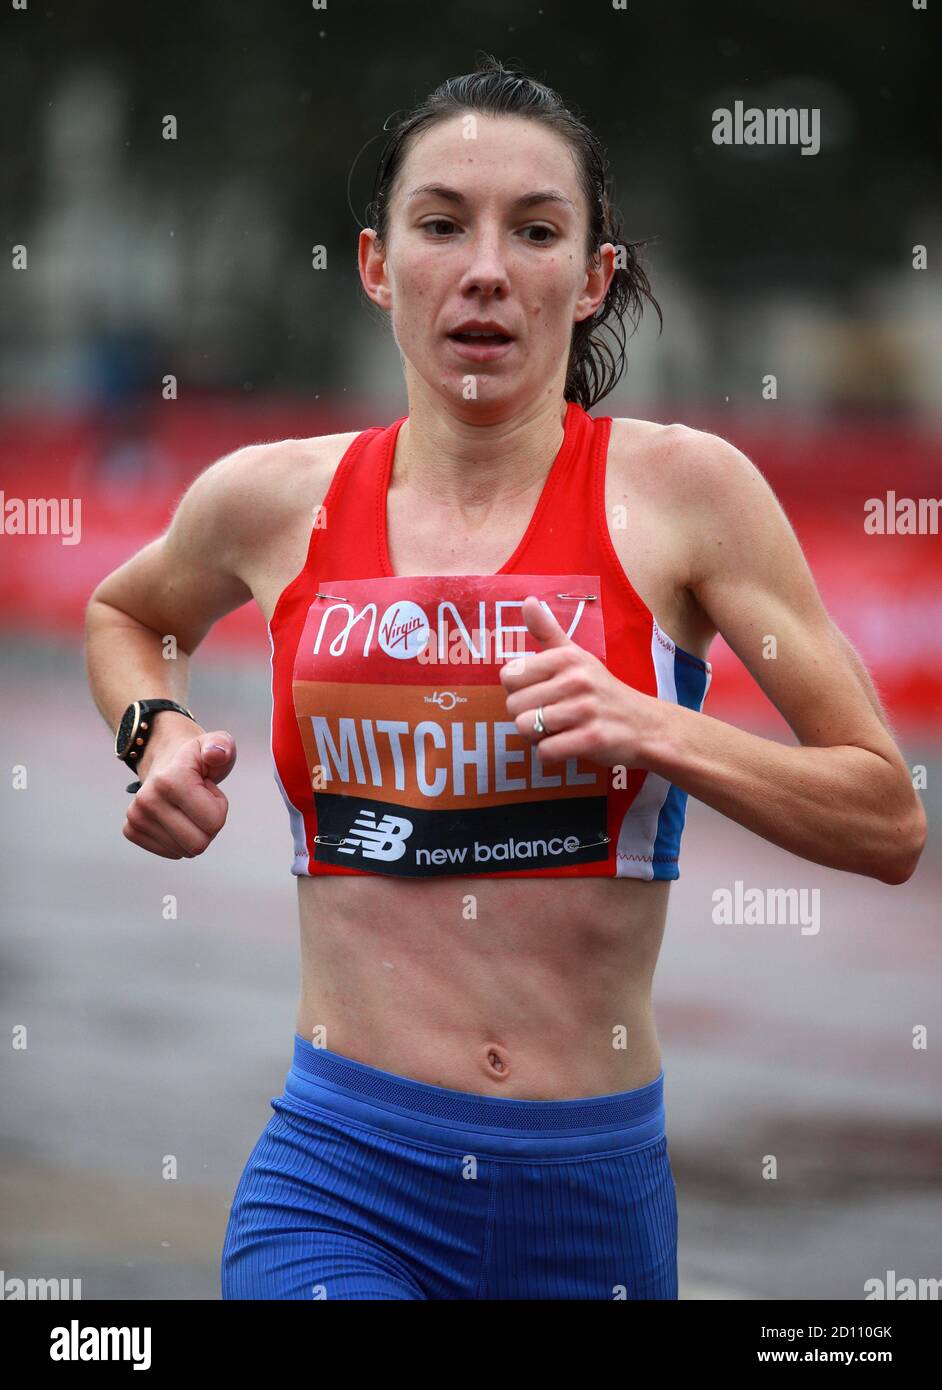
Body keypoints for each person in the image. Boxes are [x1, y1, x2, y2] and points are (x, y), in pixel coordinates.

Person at [84, 56, 927, 1301]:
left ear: (593, 279)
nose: (486, 269)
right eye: (442, 225)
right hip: (338, 1179)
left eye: (535, 231)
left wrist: (661, 728)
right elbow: (127, 611)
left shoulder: (690, 496)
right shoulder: (274, 500)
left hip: (593, 1202)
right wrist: (154, 731)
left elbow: (886, 816)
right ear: (378, 266)